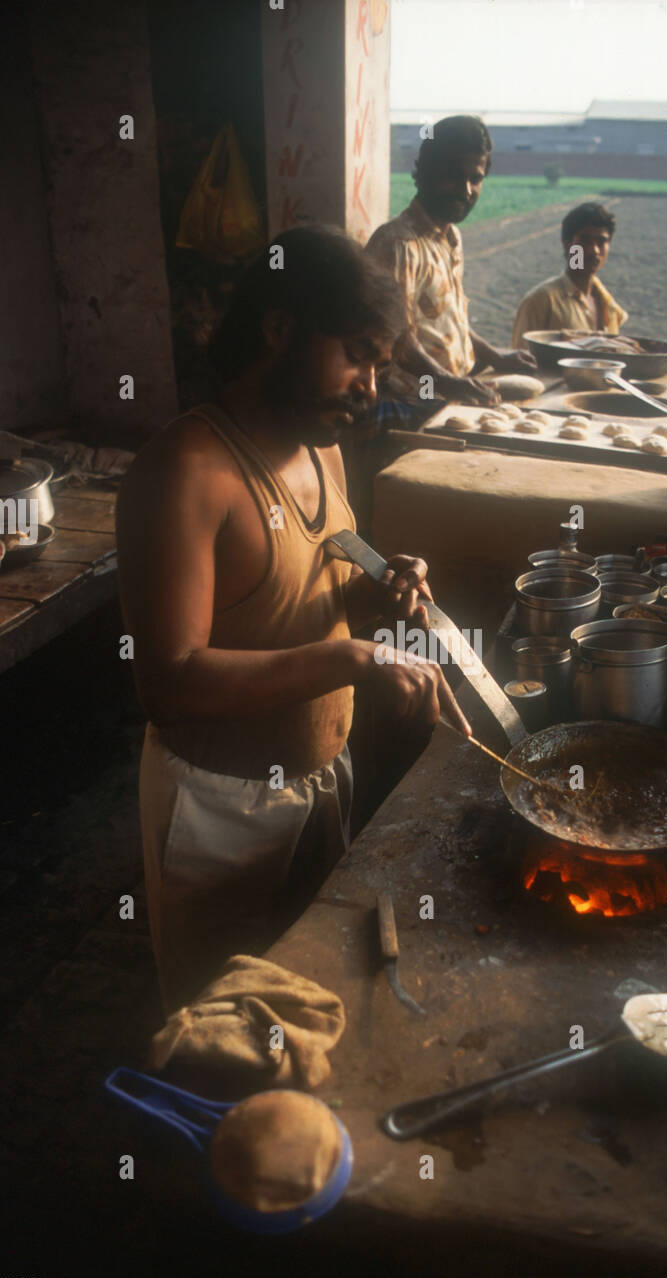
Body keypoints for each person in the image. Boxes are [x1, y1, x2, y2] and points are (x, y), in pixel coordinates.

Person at [117, 226, 470, 1013]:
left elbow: (312, 584)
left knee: (305, 998)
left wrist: (379, 590)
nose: (370, 387)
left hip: (319, 777)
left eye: (379, 364)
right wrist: (354, 661)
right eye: (356, 354)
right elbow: (168, 684)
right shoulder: (186, 474)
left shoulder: (322, 451)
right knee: (222, 1025)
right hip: (222, 807)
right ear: (279, 331)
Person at [366, 114, 537, 408]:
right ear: (425, 173)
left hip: (448, 391)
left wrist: (495, 357)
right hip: (408, 401)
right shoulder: (399, 245)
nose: (466, 190)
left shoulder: (451, 238)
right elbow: (396, 339)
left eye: (476, 179)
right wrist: (450, 383)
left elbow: (448, 320)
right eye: (453, 176)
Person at [512, 202, 627, 348]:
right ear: (567, 244)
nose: (594, 251)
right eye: (585, 240)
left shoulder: (607, 305)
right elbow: (522, 357)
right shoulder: (541, 301)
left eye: (601, 241)